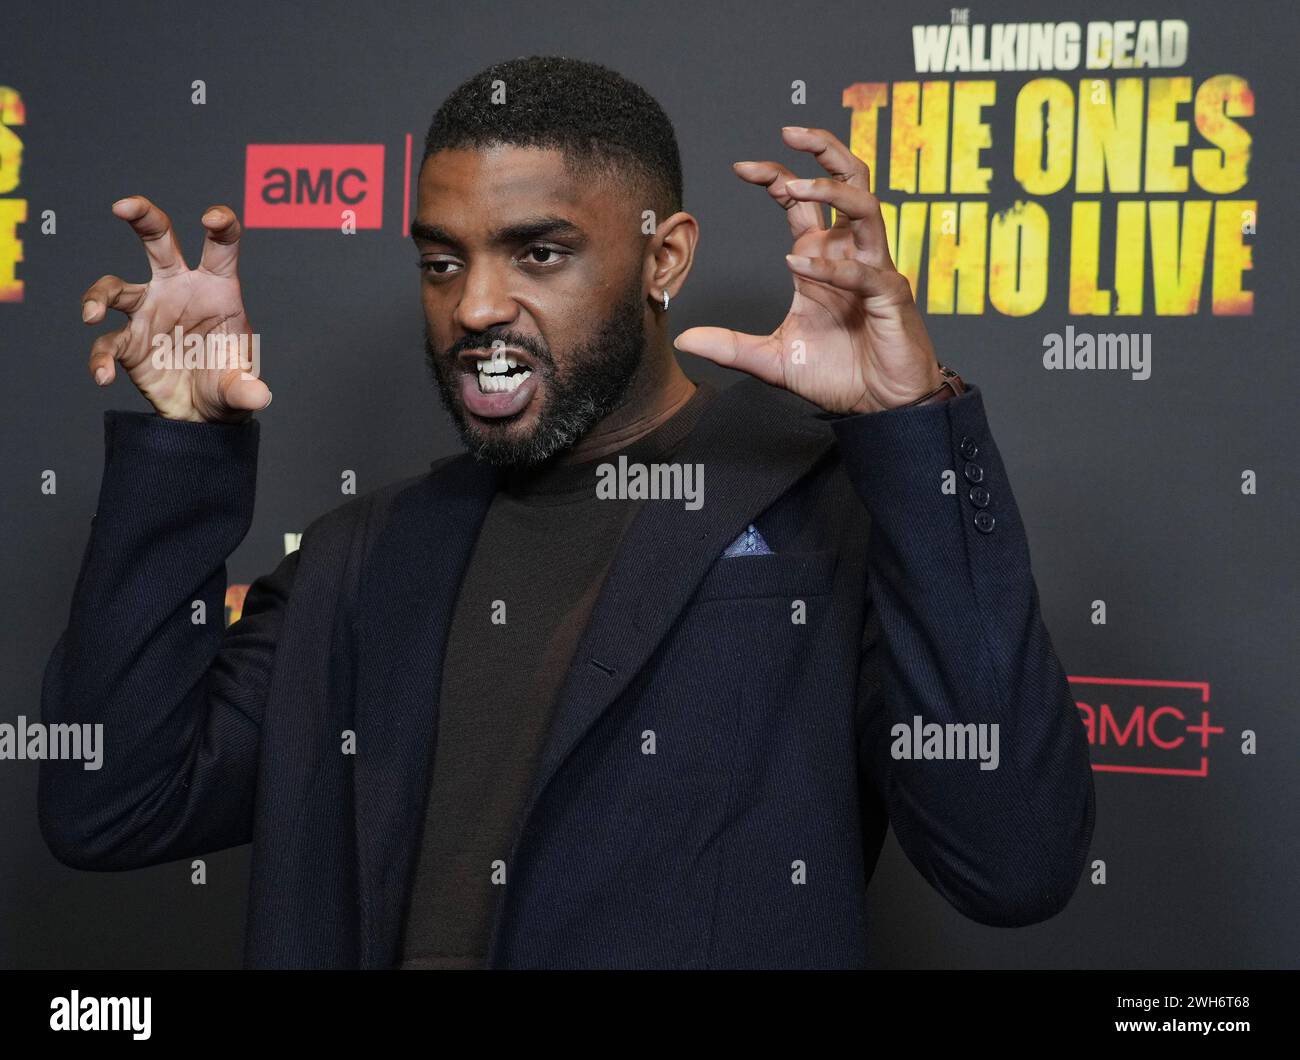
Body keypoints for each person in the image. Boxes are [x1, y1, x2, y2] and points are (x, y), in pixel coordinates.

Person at [39, 55, 1095, 969]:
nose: (476, 306)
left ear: (663, 257)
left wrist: (910, 434)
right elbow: (113, 803)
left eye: (536, 253)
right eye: (442, 261)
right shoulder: (363, 554)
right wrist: (180, 445)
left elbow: (1014, 860)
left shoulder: (828, 517)